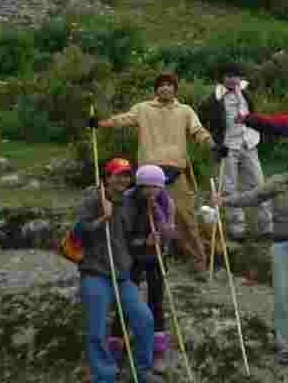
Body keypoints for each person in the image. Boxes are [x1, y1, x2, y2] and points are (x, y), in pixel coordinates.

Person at [92, 71, 212, 264]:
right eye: (161, 84)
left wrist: (210, 143)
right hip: (148, 174)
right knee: (145, 215)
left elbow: (197, 130)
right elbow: (123, 119)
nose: (165, 87)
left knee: (186, 218)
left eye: (169, 84)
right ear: (156, 89)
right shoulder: (143, 108)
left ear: (175, 89)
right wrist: (100, 123)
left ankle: (198, 262)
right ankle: (146, 258)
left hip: (175, 171)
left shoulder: (185, 110)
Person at [218, 143, 288, 366]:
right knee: (283, 297)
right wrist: (225, 201)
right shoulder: (278, 181)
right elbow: (253, 197)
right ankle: (286, 346)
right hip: (281, 245)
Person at [74, 157, 155, 383]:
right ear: (107, 177)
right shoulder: (92, 200)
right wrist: (103, 217)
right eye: (118, 174)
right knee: (97, 331)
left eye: (127, 174)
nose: (123, 179)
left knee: (145, 319)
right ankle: (104, 376)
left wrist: (147, 241)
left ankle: (141, 371)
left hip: (121, 276)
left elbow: (128, 240)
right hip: (95, 274)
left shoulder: (129, 203)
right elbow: (78, 234)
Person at [202, 62, 270, 242]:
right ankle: (236, 228)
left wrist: (252, 124)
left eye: (236, 75)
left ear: (240, 78)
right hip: (227, 148)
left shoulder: (246, 94)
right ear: (222, 78)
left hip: (248, 144)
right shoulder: (213, 98)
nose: (232, 79)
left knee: (258, 183)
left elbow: (254, 115)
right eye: (228, 75)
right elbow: (204, 121)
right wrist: (216, 143)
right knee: (228, 188)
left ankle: (266, 226)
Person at [128, 165, 178, 374]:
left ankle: (158, 351)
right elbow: (122, 237)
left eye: (156, 187)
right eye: (147, 187)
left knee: (156, 301)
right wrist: (143, 242)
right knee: (126, 301)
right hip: (132, 258)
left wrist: (162, 230)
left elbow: (169, 233)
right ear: (139, 186)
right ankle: (118, 344)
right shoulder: (128, 202)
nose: (152, 192)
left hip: (156, 257)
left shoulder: (165, 200)